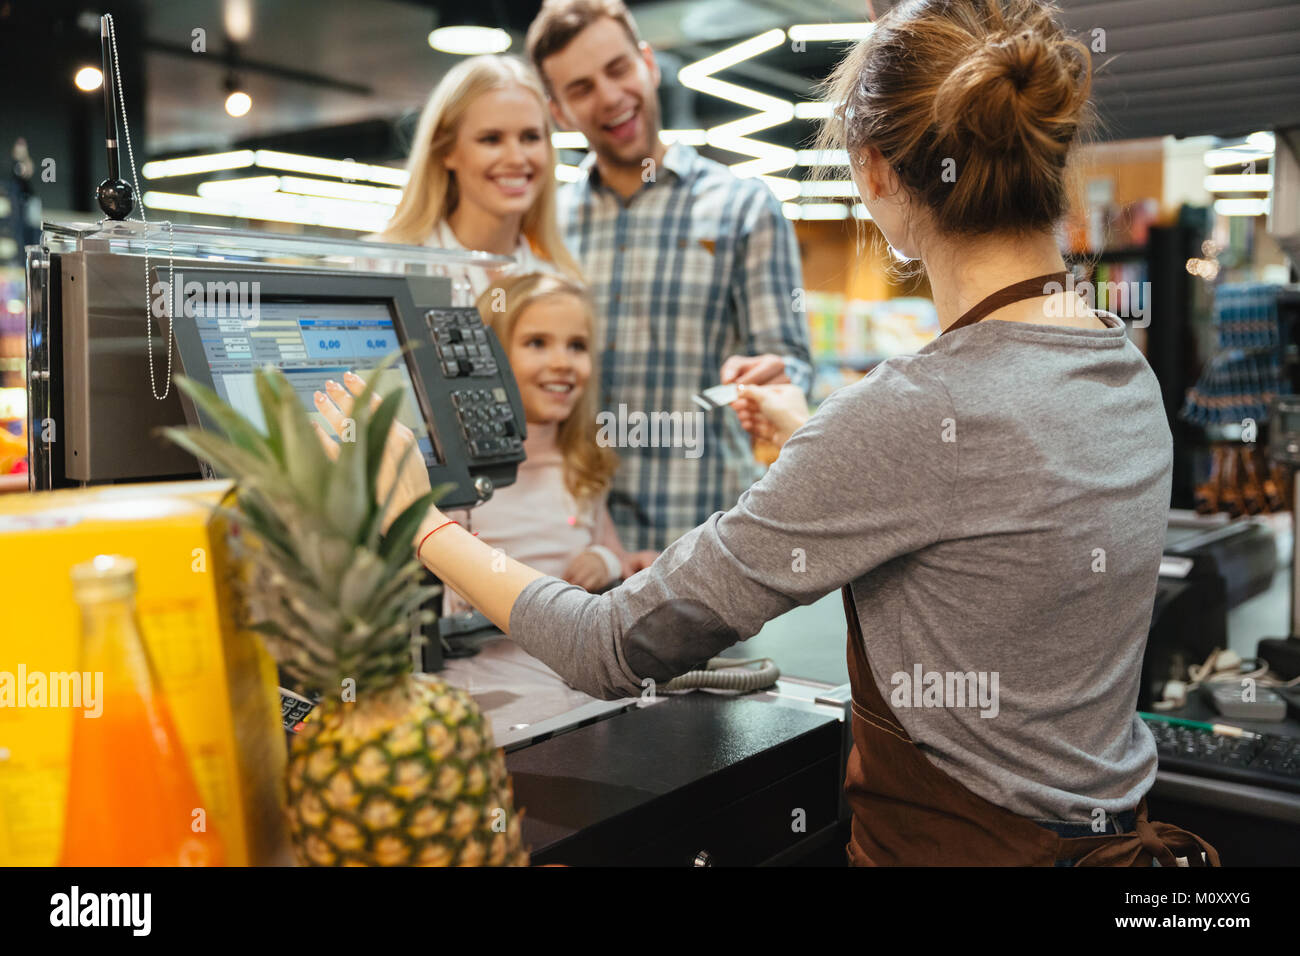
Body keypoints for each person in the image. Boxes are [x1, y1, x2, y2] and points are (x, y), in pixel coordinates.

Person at [321, 0, 1220, 866]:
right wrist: (824, 435)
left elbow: (608, 648)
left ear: (874, 172)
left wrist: (423, 520)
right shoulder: (1121, 365)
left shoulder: (909, 410)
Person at [522, 0, 814, 551]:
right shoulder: (547, 226)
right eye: (580, 88)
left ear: (648, 64)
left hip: (703, 542)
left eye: (617, 69)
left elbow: (790, 361)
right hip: (576, 543)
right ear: (558, 110)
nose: (609, 96)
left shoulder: (743, 207)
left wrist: (772, 379)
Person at [435, 272, 656, 617]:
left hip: (564, 663)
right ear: (485, 357)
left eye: (577, 346)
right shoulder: (455, 475)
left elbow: (616, 555)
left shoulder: (582, 465)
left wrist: (606, 560)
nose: (562, 363)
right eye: (537, 343)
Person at [374, 54, 581, 300]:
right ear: (446, 148)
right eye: (491, 139)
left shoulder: (563, 286)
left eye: (530, 137)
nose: (516, 158)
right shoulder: (382, 269)